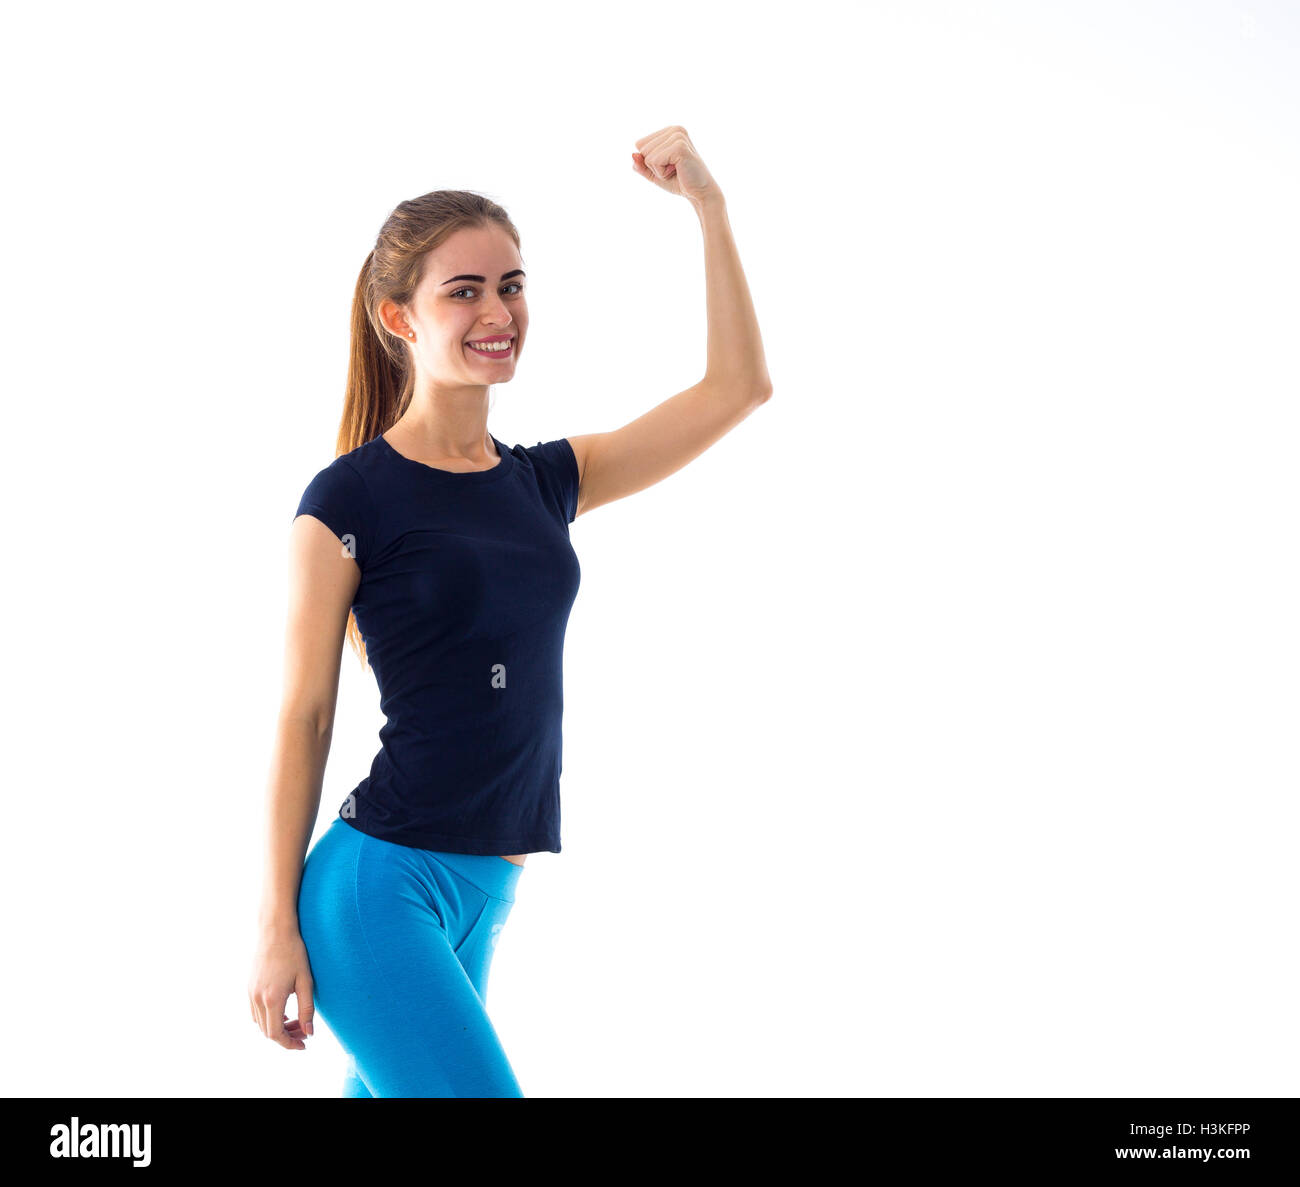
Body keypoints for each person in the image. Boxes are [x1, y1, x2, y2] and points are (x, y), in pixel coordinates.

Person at [246, 126, 773, 1097]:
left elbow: (738, 389)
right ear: (397, 317)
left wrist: (709, 205)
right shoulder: (346, 502)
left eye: (512, 284)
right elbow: (305, 716)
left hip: (486, 893)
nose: (499, 310)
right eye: (465, 289)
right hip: (377, 889)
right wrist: (276, 923)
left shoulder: (542, 481)